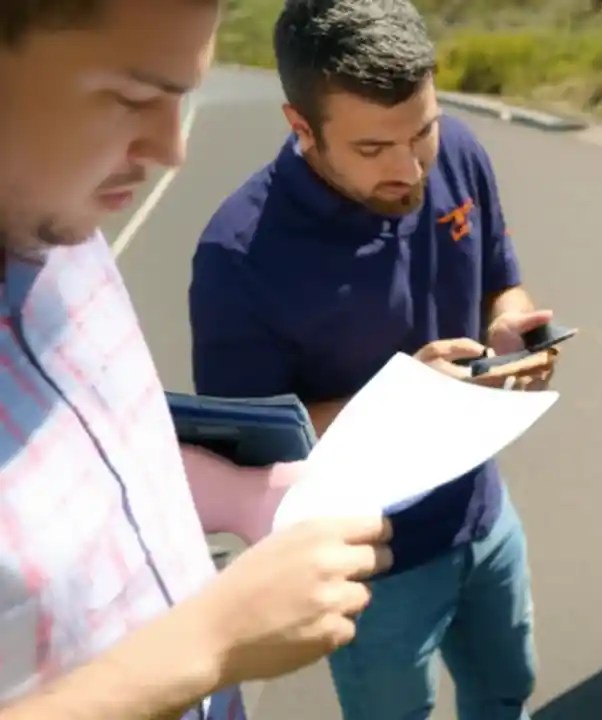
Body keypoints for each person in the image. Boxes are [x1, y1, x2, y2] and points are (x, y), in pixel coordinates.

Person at [0, 1, 404, 719]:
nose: (170, 150)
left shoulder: (61, 216)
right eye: (130, 99)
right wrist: (210, 643)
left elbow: (96, 447)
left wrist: (236, 494)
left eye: (183, 98)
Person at [186, 1, 557, 718]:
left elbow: (501, 284)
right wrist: (400, 398)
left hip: (486, 514)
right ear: (302, 128)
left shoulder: (461, 154)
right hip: (371, 562)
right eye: (372, 149)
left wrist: (513, 329)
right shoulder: (237, 257)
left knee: (508, 688)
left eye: (423, 131)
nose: (411, 165)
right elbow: (243, 456)